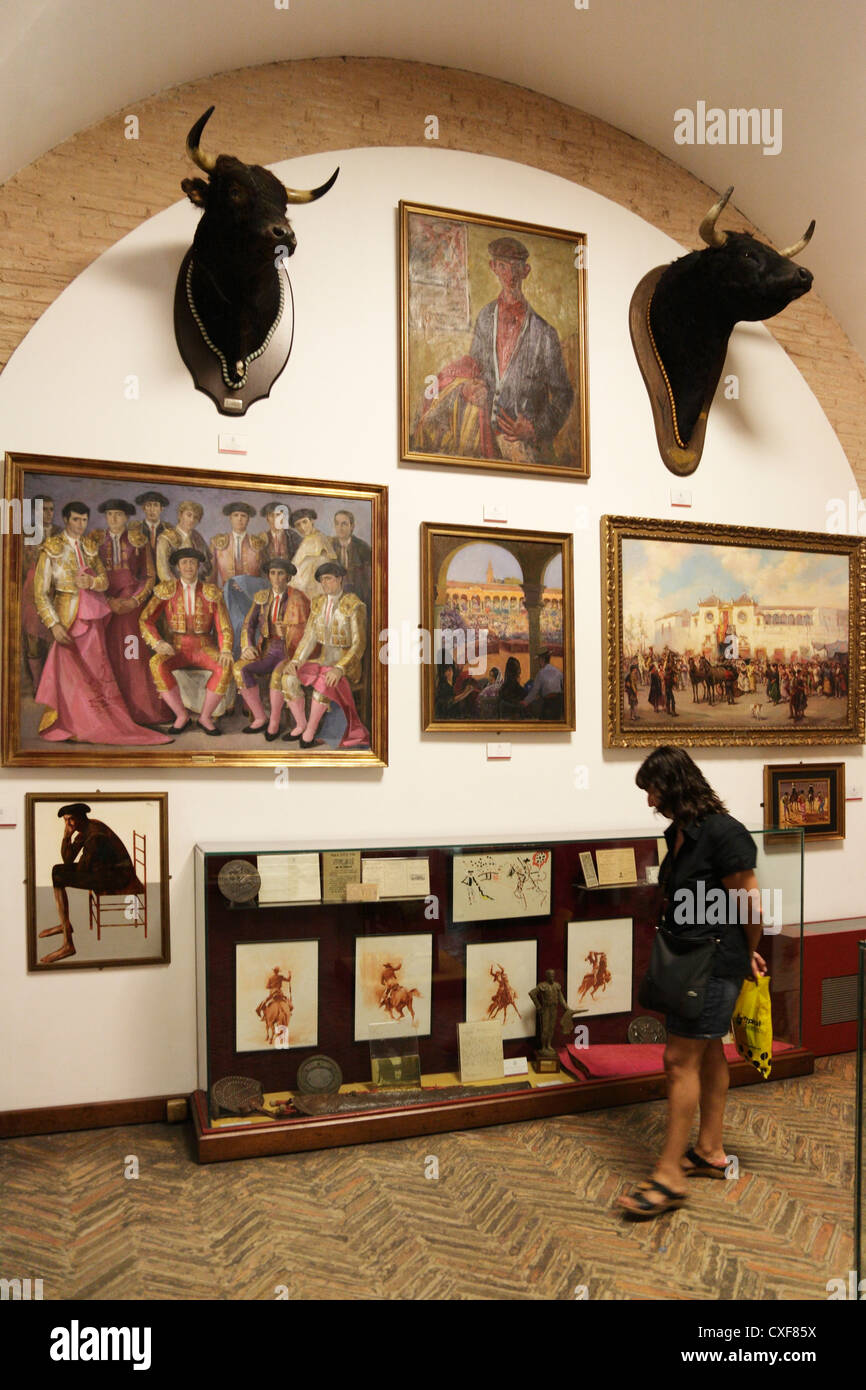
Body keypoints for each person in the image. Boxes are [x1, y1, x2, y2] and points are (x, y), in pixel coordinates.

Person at [618, 746, 766, 1220]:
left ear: (676, 784)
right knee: (708, 1052)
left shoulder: (725, 833)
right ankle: (709, 1151)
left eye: (654, 790)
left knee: (678, 1061)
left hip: (715, 963)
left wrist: (748, 953)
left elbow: (751, 907)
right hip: (691, 962)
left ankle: (669, 1176)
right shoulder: (677, 834)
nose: (650, 802)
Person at [413, 237, 574, 467]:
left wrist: (535, 428)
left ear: (526, 271)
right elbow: (473, 368)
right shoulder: (485, 318)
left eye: (516, 267)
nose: (510, 275)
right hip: (483, 438)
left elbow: (563, 396)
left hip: (524, 449)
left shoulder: (545, 333)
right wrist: (467, 390)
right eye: (502, 266)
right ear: (493, 268)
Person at [33, 501, 171, 747]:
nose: (80, 525)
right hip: (68, 617)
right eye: (76, 520)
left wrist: (99, 587)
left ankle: (104, 720)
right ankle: (71, 723)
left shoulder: (90, 546)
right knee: (70, 673)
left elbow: (105, 580)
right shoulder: (53, 548)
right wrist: (54, 624)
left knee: (102, 668)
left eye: (84, 520)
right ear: (66, 520)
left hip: (99, 614)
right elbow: (41, 593)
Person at [139, 546, 234, 735]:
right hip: (177, 647)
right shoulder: (167, 590)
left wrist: (225, 649)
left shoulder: (211, 591)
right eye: (184, 563)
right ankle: (181, 716)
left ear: (198, 565)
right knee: (156, 663)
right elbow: (145, 620)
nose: (189, 566)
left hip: (205, 647)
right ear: (178, 567)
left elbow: (223, 626)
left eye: (192, 562)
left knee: (224, 666)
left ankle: (205, 717)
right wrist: (157, 642)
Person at [38, 802, 144, 964]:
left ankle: (68, 944)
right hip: (103, 870)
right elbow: (67, 859)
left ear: (80, 818)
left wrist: (71, 849)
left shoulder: (95, 835)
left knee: (58, 876)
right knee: (57, 871)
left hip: (117, 878)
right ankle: (65, 925)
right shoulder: (87, 827)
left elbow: (81, 869)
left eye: (71, 820)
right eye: (66, 821)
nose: (68, 824)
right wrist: (67, 836)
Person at [279, 560, 369, 749]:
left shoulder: (354, 605)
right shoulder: (318, 603)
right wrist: (297, 660)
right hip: (323, 660)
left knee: (322, 684)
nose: (325, 584)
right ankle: (301, 724)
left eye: (329, 579)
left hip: (345, 665)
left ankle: (310, 733)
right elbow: (309, 636)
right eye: (322, 580)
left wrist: (339, 669)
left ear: (339, 579)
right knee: (288, 678)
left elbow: (359, 645)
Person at [93, 498, 165, 726]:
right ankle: (109, 713)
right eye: (110, 514)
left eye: (118, 514)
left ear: (126, 518)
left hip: (131, 608)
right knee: (106, 655)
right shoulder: (94, 541)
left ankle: (140, 710)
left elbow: (149, 576)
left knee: (132, 655)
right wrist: (106, 600)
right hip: (103, 607)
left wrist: (134, 601)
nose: (113, 519)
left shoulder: (138, 540)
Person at [234, 559, 310, 739]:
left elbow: (308, 631)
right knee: (240, 669)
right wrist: (247, 646)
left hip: (289, 651)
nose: (276, 578)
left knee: (277, 676)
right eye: (273, 573)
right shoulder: (261, 597)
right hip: (266, 650)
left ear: (289, 577)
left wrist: (288, 631)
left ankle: (274, 722)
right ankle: (260, 717)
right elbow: (248, 625)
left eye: (281, 573)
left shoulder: (298, 598)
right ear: (268, 576)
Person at [521, 649, 564, 719]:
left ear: (542, 660)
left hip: (548, 705)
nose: (538, 662)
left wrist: (525, 702)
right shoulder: (558, 672)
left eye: (539, 660)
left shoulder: (540, 673)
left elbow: (534, 691)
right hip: (558, 705)